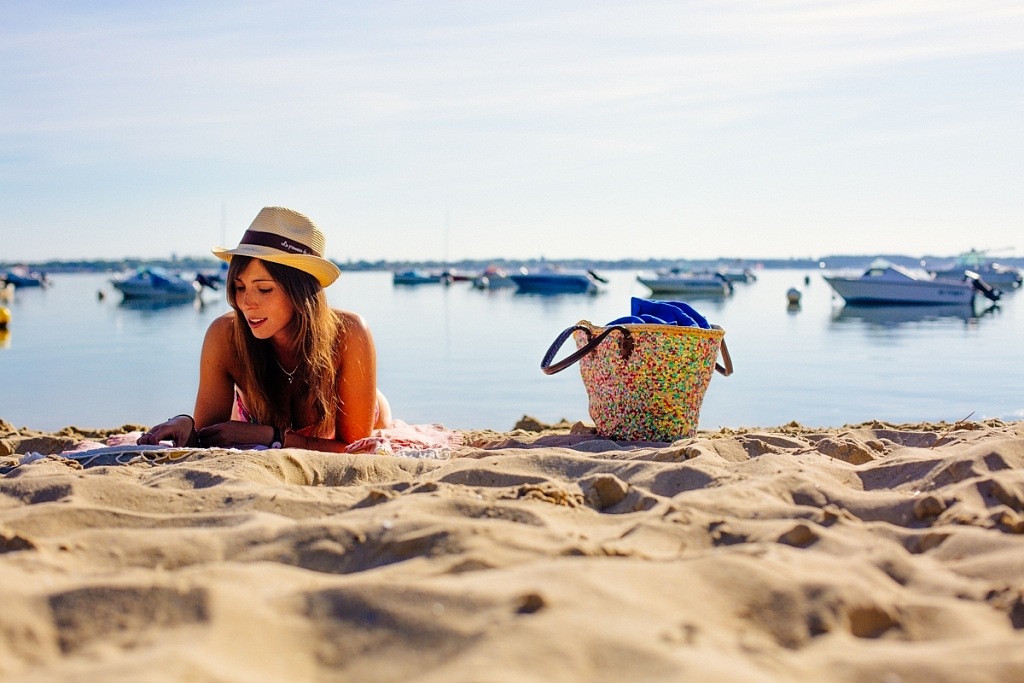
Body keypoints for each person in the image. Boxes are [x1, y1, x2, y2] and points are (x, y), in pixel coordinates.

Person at [138, 206, 391, 452]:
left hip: (365, 407)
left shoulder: (349, 333)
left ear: (300, 291)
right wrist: (186, 424)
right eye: (239, 287)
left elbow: (356, 450)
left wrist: (273, 437)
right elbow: (209, 438)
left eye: (264, 289)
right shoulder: (225, 336)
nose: (246, 303)